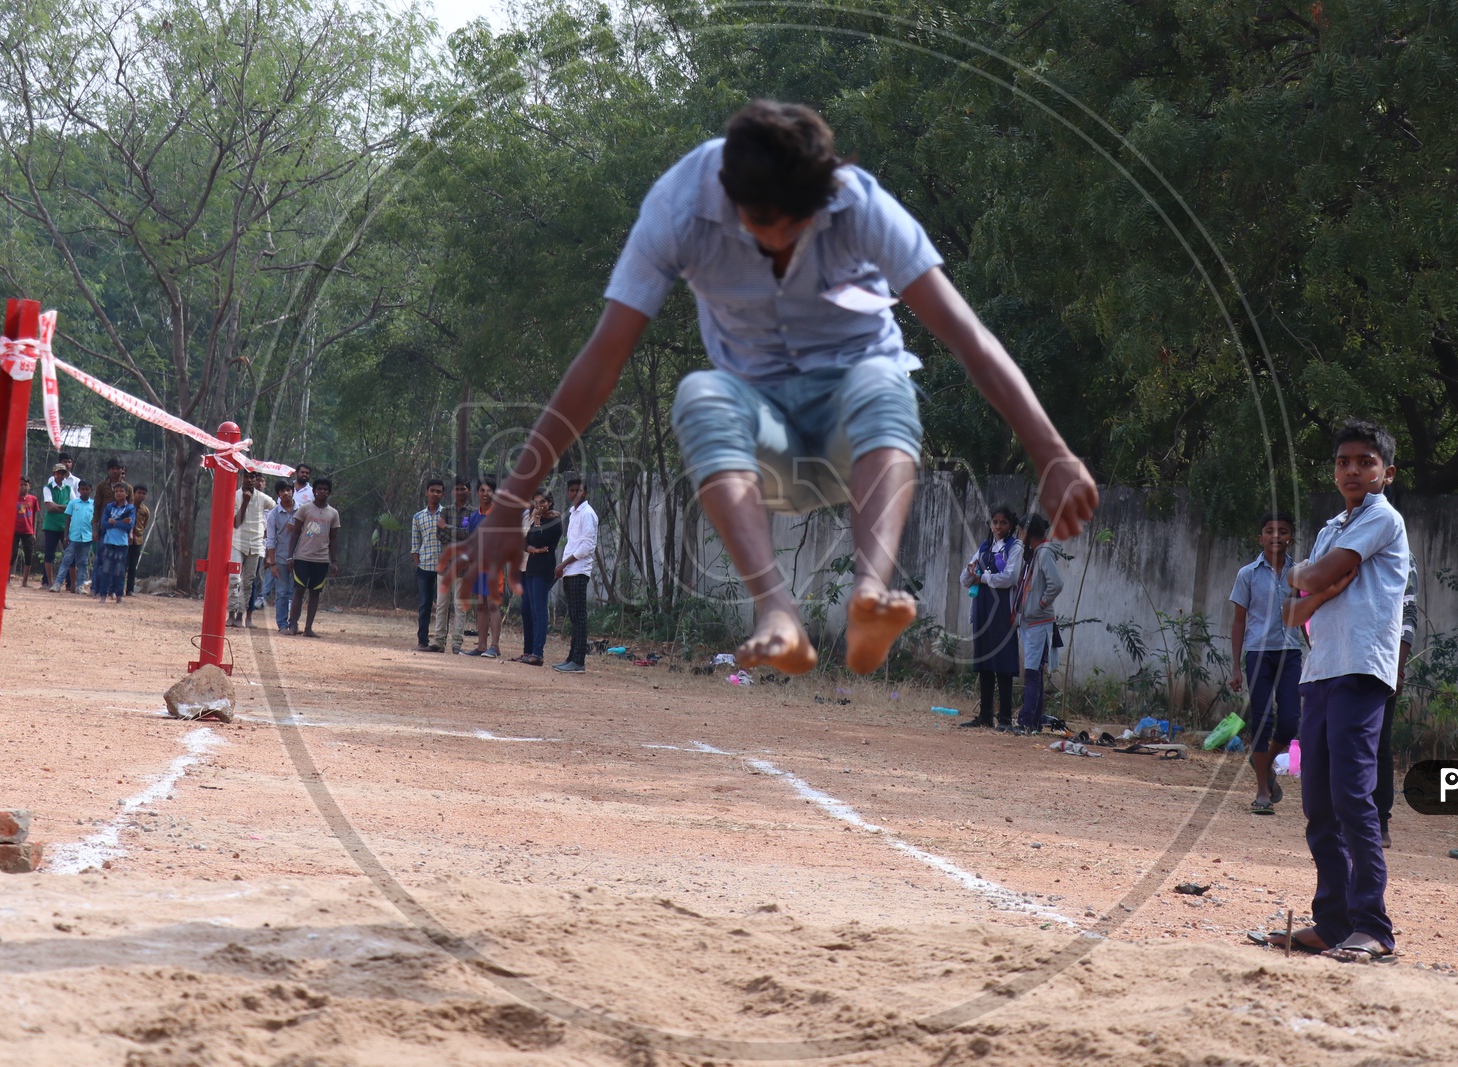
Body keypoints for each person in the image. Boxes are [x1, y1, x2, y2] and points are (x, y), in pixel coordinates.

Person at [443, 100, 1096, 675]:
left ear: (825, 191)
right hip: (761, 438)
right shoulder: (678, 206)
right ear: (728, 197)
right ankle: (776, 610)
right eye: (763, 227)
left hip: (856, 433)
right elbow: (601, 360)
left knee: (883, 376)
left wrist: (1052, 453)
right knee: (698, 393)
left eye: (796, 227)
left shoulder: (860, 203)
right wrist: (508, 507)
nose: (780, 247)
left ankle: (870, 594)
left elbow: (965, 334)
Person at [1274, 419, 1410, 963]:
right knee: (1318, 803)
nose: (1352, 470)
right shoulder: (1333, 527)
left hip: (1360, 670)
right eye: (1343, 462)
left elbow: (1309, 581)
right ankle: (1332, 922)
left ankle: (1373, 927)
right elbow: (1292, 610)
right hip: (1320, 670)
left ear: (1387, 472)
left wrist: (1310, 579)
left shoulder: (1382, 517)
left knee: (1352, 798)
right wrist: (1313, 582)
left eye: (1365, 462)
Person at [1228, 512, 1303, 814]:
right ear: (1260, 538)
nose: (1276, 536)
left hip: (1291, 653)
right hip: (1259, 653)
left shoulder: (1300, 574)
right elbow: (1239, 621)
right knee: (1261, 719)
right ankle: (1262, 790)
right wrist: (1235, 667)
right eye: (1270, 531)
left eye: (1282, 531)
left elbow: (1306, 616)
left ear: (1290, 538)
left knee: (1291, 720)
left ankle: (1265, 762)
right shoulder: (1247, 574)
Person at [958, 506, 1023, 730]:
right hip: (982, 609)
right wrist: (970, 573)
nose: (998, 527)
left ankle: (1004, 718)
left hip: (1002, 611)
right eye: (995, 522)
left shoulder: (1015, 547)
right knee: (984, 662)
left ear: (1010, 525)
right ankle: (985, 716)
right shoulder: (985, 547)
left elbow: (1010, 577)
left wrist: (982, 578)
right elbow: (965, 579)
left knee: (1003, 663)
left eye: (1003, 522)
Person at [1373, 559, 1418, 845]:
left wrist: (1398, 669)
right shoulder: (1345, 544)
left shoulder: (1403, 556)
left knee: (1379, 742)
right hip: (1345, 658)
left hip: (1382, 663)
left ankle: (1380, 821)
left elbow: (1408, 612)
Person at [1013, 511, 1064, 735]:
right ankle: (1032, 721)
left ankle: (1026, 721)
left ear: (1028, 531)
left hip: (1038, 622)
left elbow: (1056, 584)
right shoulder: (1036, 553)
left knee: (1032, 673)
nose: (1019, 534)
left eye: (1020, 530)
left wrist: (1040, 604)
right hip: (1032, 621)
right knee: (1035, 672)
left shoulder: (1043, 553)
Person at [552, 475, 597, 673]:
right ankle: (572, 657)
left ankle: (579, 661)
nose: (574, 494)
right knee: (574, 617)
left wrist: (563, 564)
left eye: (578, 490)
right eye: (571, 490)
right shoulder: (574, 513)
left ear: (585, 492)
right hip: (570, 571)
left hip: (579, 570)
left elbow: (587, 546)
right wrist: (564, 567)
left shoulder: (587, 514)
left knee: (579, 617)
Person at [285, 477, 338, 637]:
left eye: (325, 489)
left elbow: (333, 539)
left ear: (329, 492)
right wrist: (290, 557)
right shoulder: (305, 509)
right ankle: (293, 625)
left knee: (315, 592)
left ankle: (308, 628)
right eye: (319, 489)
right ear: (314, 491)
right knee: (299, 590)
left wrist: (334, 561)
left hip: (321, 559)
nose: (322, 492)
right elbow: (295, 533)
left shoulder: (333, 513)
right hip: (303, 557)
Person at [430, 478, 477, 655]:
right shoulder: (446, 510)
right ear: (452, 491)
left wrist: (447, 527)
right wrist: (458, 535)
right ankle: (438, 641)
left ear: (469, 490)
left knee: (460, 606)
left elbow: (469, 535)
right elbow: (439, 535)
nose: (459, 492)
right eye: (456, 489)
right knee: (441, 605)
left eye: (462, 489)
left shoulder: (473, 513)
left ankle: (457, 643)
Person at [516, 490, 563, 667]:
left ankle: (538, 653)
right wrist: (533, 550)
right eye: (536, 502)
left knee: (540, 610)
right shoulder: (539, 519)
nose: (539, 505)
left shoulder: (554, 521)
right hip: (531, 567)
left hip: (544, 568)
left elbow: (538, 538)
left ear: (550, 502)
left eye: (543, 502)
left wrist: (536, 524)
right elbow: (526, 542)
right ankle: (529, 651)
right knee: (529, 608)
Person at [462, 477, 505, 659]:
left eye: (489, 491)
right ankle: (481, 646)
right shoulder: (474, 516)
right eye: (482, 490)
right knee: (480, 605)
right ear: (477, 493)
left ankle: (494, 647)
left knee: (493, 604)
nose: (485, 494)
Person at [231, 469, 274, 628]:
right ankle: (231, 614)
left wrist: (268, 533)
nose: (249, 480)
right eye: (247, 477)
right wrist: (245, 502)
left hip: (256, 544)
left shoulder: (263, 498)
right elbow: (236, 523)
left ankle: (240, 616)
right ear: (242, 478)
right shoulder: (235, 495)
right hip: (237, 542)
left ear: (256, 480)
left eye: (252, 477)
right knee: (234, 578)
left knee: (248, 582)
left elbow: (276, 509)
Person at [411, 478, 446, 651]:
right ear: (426, 492)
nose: (435, 494)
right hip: (425, 566)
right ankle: (422, 640)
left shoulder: (446, 514)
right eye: (432, 490)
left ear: (443, 494)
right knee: (425, 604)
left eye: (439, 491)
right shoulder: (418, 517)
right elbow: (415, 544)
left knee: (443, 605)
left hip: (444, 567)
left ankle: (440, 641)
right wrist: (417, 565)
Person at [263, 481, 297, 631]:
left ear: (292, 491)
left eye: (288, 490)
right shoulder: (273, 514)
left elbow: (310, 533)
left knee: (297, 592)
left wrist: (297, 529)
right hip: (281, 557)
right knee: (282, 592)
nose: (286, 493)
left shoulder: (302, 510)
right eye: (282, 491)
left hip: (299, 557)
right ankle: (282, 624)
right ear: (278, 494)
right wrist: (273, 563)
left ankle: (294, 623)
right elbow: (270, 539)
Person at [94, 481, 134, 603]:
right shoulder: (109, 507)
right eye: (116, 491)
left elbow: (129, 526)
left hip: (121, 542)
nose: (118, 493)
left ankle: (119, 595)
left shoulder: (129, 508)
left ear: (126, 493)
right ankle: (103, 594)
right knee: (106, 568)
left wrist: (115, 522)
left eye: (121, 491)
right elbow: (104, 524)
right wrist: (121, 521)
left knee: (120, 570)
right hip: (109, 541)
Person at [57, 480, 96, 594]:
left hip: (87, 537)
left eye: (87, 489)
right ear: (78, 490)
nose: (85, 491)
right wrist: (65, 536)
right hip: (73, 536)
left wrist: (94, 533)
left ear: (91, 490)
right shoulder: (73, 503)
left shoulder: (93, 504)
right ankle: (58, 583)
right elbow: (68, 520)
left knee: (83, 562)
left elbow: (95, 521)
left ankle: (80, 586)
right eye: (82, 489)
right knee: (66, 560)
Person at [40, 460, 73, 589]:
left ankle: (70, 583)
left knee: (69, 553)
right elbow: (49, 507)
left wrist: (57, 506)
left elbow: (73, 505)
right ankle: (48, 582)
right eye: (58, 473)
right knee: (49, 554)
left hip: (65, 525)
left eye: (62, 473)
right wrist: (66, 508)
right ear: (54, 473)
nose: (60, 475)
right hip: (51, 525)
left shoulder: (68, 488)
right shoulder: (47, 488)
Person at [11, 475, 38, 586]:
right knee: (12, 554)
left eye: (25, 485)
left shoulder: (33, 499)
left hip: (28, 531)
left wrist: (34, 532)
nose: (23, 487)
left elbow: (34, 516)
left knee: (28, 555)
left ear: (29, 486)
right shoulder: (13, 498)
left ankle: (25, 581)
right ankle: (7, 579)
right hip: (14, 530)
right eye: (21, 485)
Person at [125, 485, 151, 595]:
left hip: (137, 540)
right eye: (139, 493)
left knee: (133, 566)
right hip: (125, 539)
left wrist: (138, 532)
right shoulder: (127, 506)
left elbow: (144, 524)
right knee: (123, 564)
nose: (141, 495)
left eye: (144, 494)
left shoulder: (145, 510)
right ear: (134, 493)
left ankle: (130, 589)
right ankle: (118, 587)